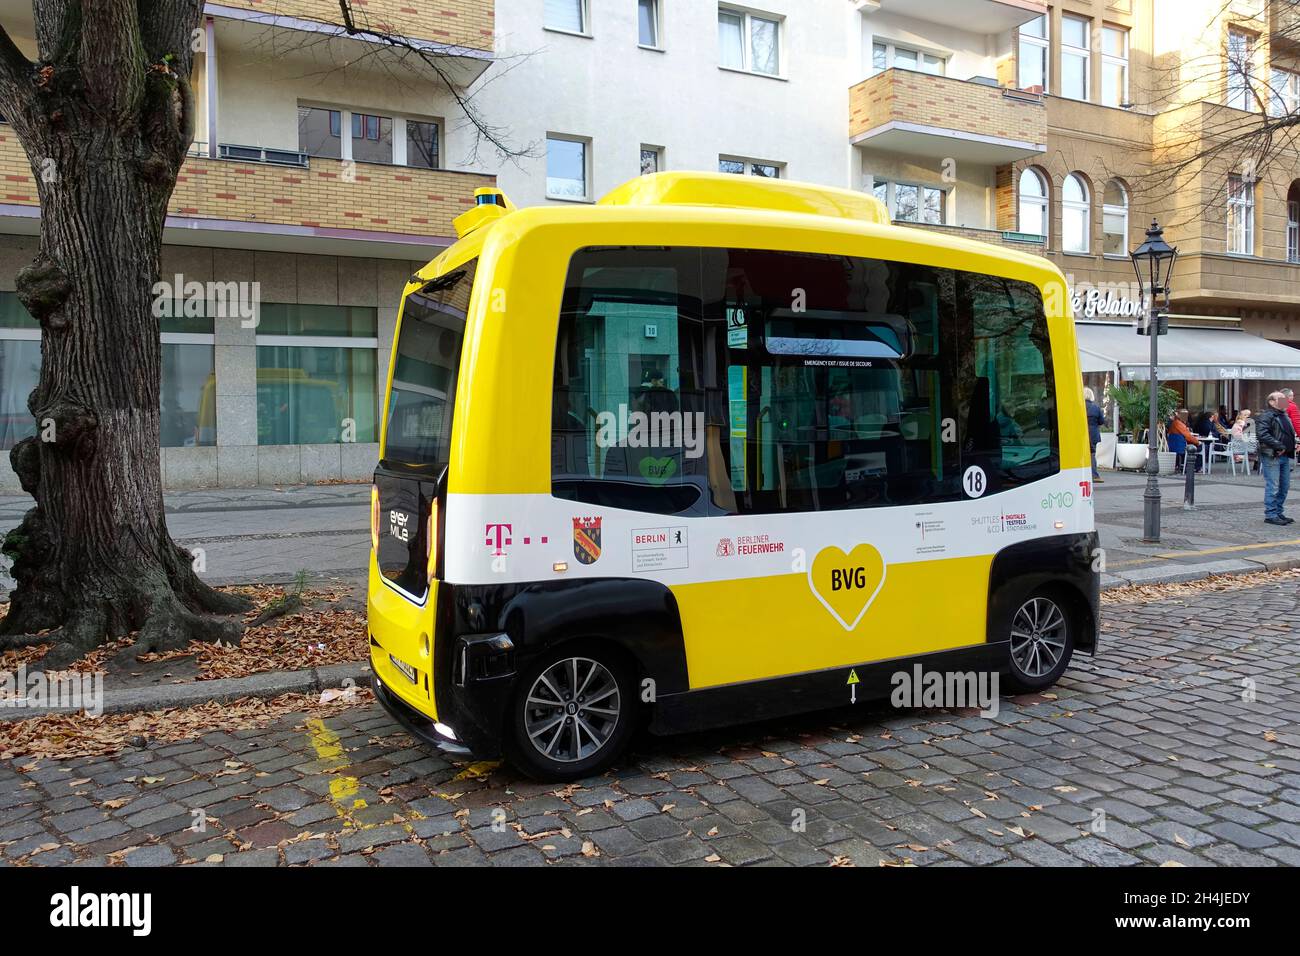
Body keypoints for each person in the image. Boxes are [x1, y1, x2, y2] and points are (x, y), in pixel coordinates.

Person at [1256, 391, 1296, 526]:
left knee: (1284, 486)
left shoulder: (1283, 415)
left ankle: (1278, 512)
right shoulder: (1266, 415)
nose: (1285, 401)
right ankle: (1271, 514)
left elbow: (1287, 433)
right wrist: (1279, 445)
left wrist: (1293, 444)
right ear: (1272, 402)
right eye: (1281, 399)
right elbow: (1262, 435)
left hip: (1285, 454)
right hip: (1273, 455)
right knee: (1273, 485)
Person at [1083, 387, 1105, 482]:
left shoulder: (1078, 406)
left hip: (1082, 434)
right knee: (1092, 454)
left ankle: (1082, 474)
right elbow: (1101, 421)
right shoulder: (1096, 407)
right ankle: (1094, 475)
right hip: (1093, 434)